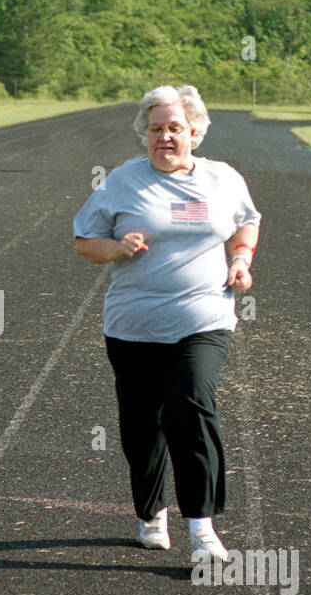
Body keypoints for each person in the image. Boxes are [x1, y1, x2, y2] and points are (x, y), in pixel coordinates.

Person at [73, 84, 260, 563]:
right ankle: (151, 511)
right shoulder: (121, 182)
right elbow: (84, 241)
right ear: (144, 134)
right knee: (142, 426)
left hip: (205, 317)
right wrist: (117, 248)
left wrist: (240, 258)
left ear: (194, 131)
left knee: (191, 406)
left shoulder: (223, 179)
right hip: (133, 325)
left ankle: (203, 531)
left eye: (175, 127)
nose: (165, 136)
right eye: (155, 129)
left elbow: (247, 220)